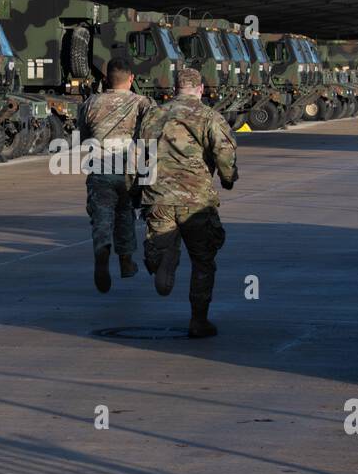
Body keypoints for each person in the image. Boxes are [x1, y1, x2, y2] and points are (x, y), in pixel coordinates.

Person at [136, 67, 238, 337]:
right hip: (196, 200)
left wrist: (138, 190)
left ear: (174, 88)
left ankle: (161, 259)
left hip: (158, 196)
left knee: (158, 242)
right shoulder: (209, 116)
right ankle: (198, 320)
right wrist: (228, 178)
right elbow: (224, 152)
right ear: (201, 89)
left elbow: (139, 153)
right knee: (203, 260)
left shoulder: (154, 114)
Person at [76, 57, 154, 293]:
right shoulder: (143, 103)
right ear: (131, 79)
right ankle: (126, 260)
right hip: (129, 170)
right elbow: (152, 135)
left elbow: (84, 137)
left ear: (105, 79)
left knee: (101, 215)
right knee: (125, 212)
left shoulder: (90, 103)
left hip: (100, 168)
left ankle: (102, 248)